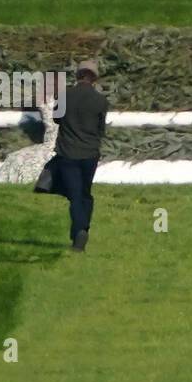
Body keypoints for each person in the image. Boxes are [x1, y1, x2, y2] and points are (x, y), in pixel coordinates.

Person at [54, 60, 108, 252]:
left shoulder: (64, 95)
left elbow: (56, 118)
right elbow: (101, 130)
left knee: (75, 195)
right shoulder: (101, 100)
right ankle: (83, 228)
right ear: (94, 79)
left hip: (68, 152)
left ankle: (79, 232)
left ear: (77, 76)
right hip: (90, 153)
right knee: (86, 193)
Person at [0, 72, 61, 184]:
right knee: (17, 158)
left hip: (53, 146)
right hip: (58, 145)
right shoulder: (61, 101)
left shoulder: (45, 102)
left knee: (16, 159)